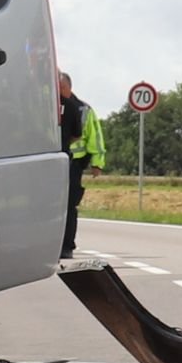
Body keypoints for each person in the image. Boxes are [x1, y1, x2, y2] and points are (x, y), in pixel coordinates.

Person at [57, 70, 106, 256]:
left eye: (61, 88)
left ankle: (67, 246)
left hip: (74, 164)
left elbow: (95, 138)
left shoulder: (83, 110)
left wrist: (97, 163)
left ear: (68, 87)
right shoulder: (48, 105)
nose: (58, 91)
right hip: (52, 162)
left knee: (69, 205)